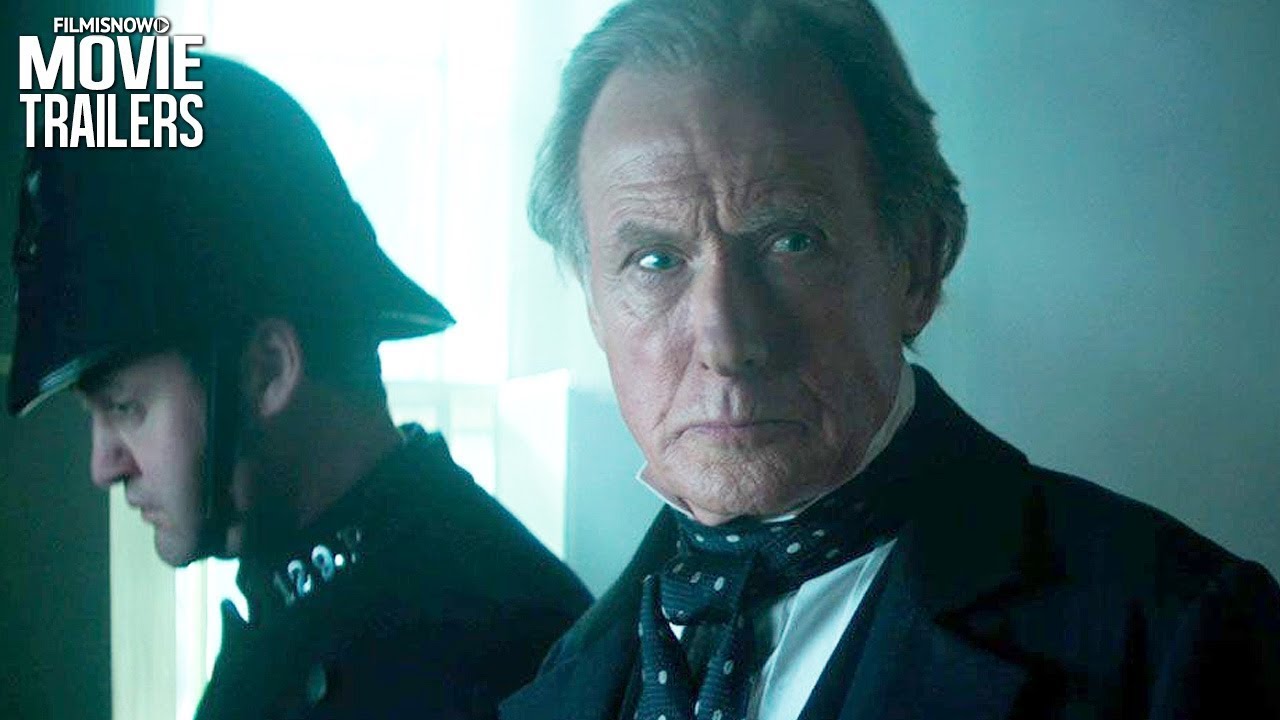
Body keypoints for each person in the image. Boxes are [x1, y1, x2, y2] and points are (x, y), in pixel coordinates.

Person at [499, 1, 1280, 718]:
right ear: (594, 304)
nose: (727, 345)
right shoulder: (562, 679)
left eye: (792, 241)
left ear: (920, 265)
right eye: (655, 261)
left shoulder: (1181, 633)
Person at [7, 55, 591, 719]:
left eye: (126, 407)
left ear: (268, 370)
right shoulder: (303, 605)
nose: (102, 465)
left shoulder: (511, 653)